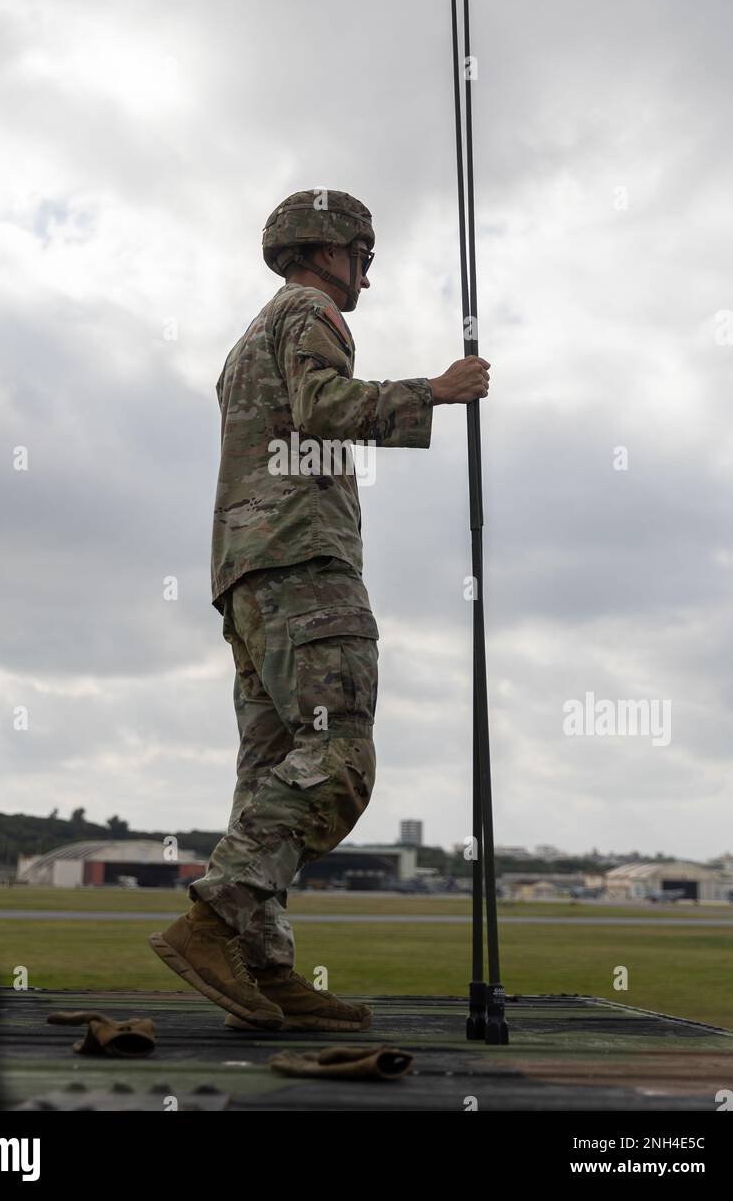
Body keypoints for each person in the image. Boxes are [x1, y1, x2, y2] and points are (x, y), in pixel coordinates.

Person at [150, 189, 490, 1031]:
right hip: (305, 563)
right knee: (340, 755)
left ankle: (262, 971)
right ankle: (211, 920)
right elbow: (323, 408)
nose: (367, 280)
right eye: (364, 259)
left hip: (250, 572)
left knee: (271, 772)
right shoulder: (311, 312)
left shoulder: (247, 341)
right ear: (331, 250)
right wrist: (436, 391)